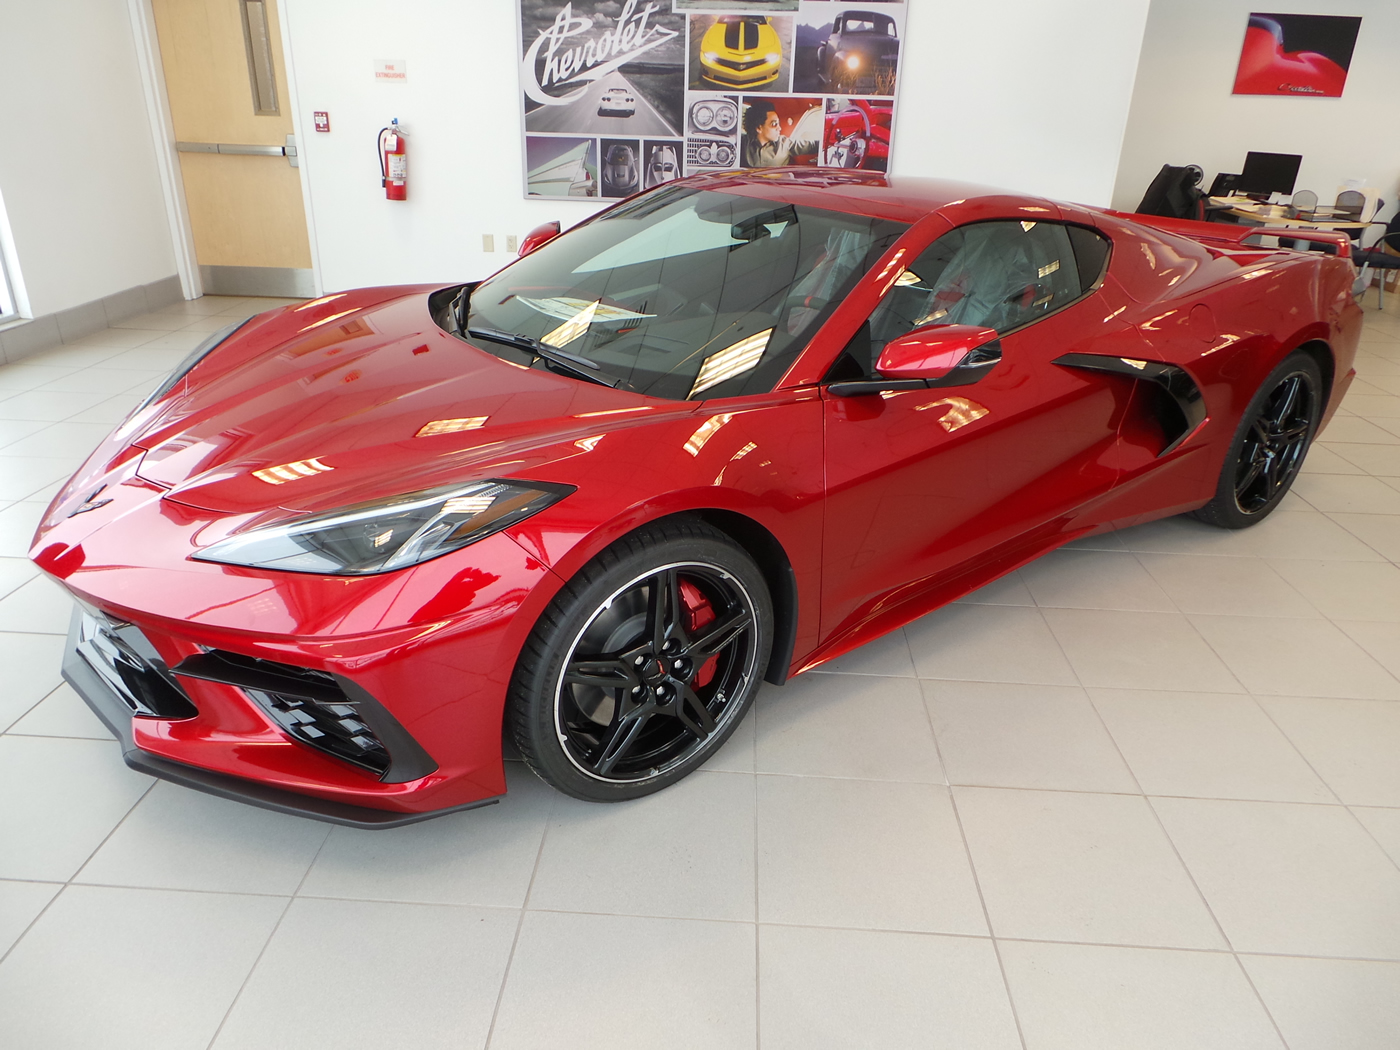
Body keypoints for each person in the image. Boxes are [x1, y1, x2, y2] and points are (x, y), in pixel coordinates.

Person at [741, 104, 819, 168]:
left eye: (779, 123)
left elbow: (813, 146)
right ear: (759, 128)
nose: (779, 128)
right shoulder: (741, 144)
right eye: (774, 124)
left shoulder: (785, 143)